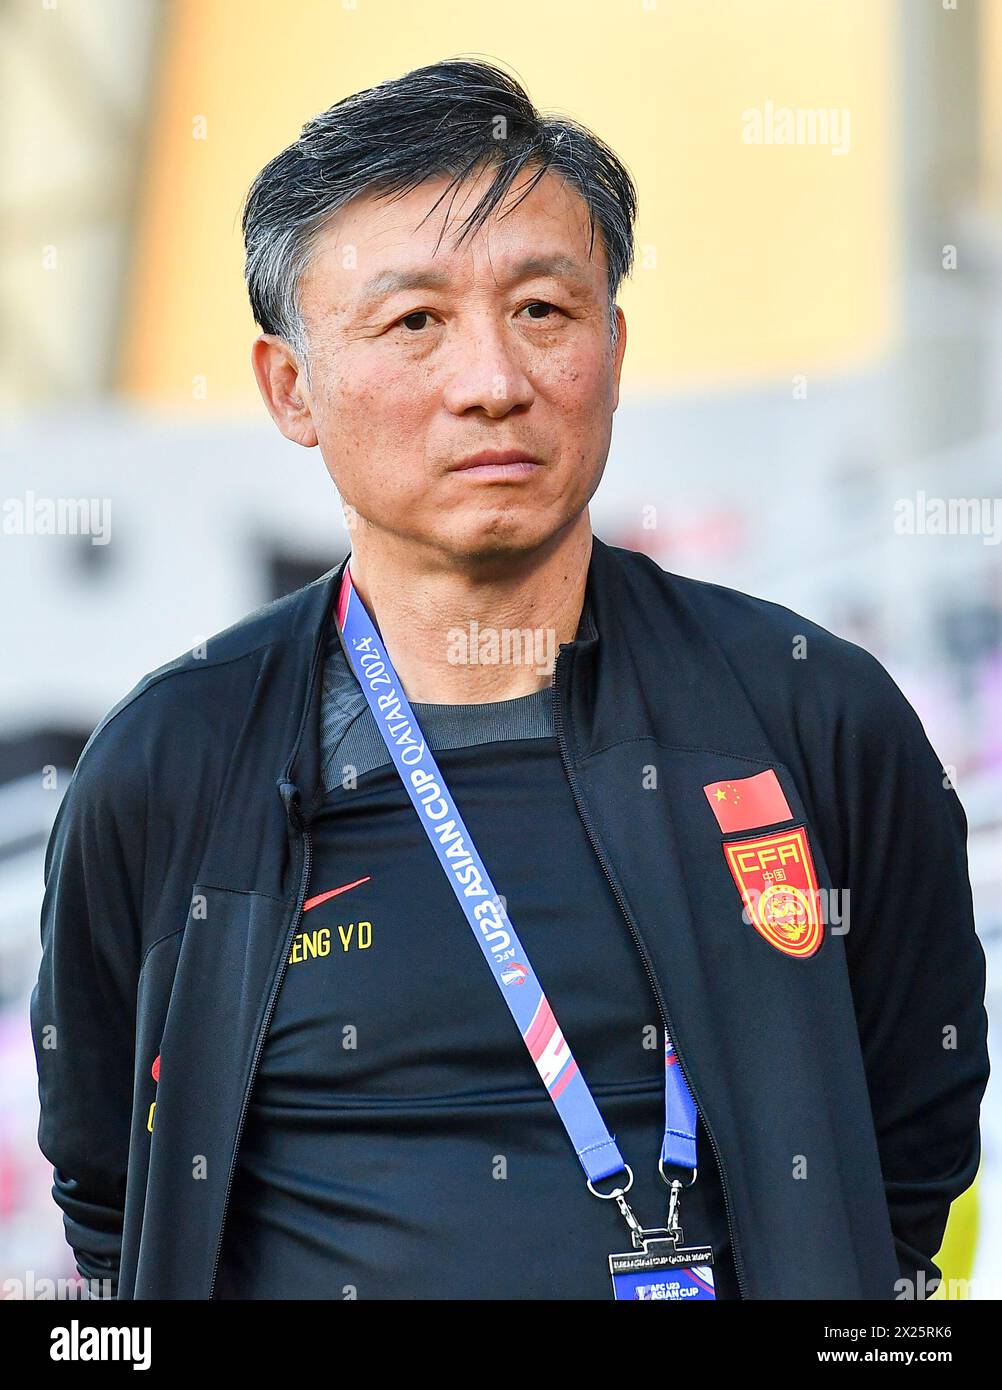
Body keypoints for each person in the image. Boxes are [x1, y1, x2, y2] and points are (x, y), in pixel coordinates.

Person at [31, 58, 989, 1301]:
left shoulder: (810, 715)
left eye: (543, 308)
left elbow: (912, 1137)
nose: (493, 380)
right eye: (414, 321)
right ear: (290, 388)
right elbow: (115, 1190)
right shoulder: (175, 759)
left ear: (612, 343)